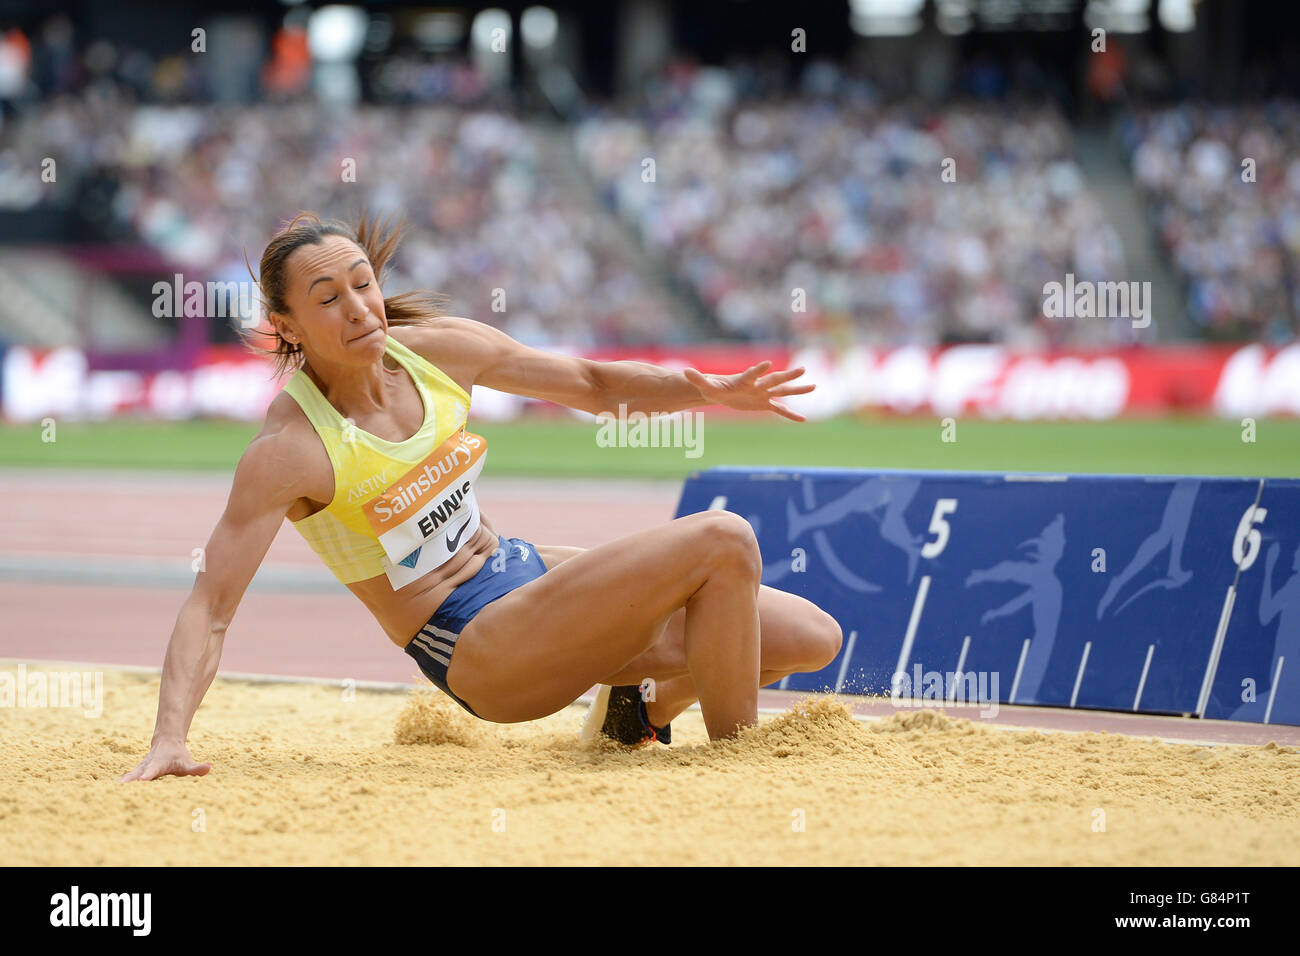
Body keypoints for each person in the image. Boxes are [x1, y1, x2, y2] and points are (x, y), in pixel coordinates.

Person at [119, 213, 842, 782]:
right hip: (479, 648)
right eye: (328, 300)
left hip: (524, 573)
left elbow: (591, 386)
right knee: (722, 540)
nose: (359, 307)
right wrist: (169, 737)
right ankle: (740, 775)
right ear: (287, 328)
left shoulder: (437, 351)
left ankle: (640, 710)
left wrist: (701, 387)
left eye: (363, 283)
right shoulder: (292, 450)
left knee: (812, 639)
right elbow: (210, 606)